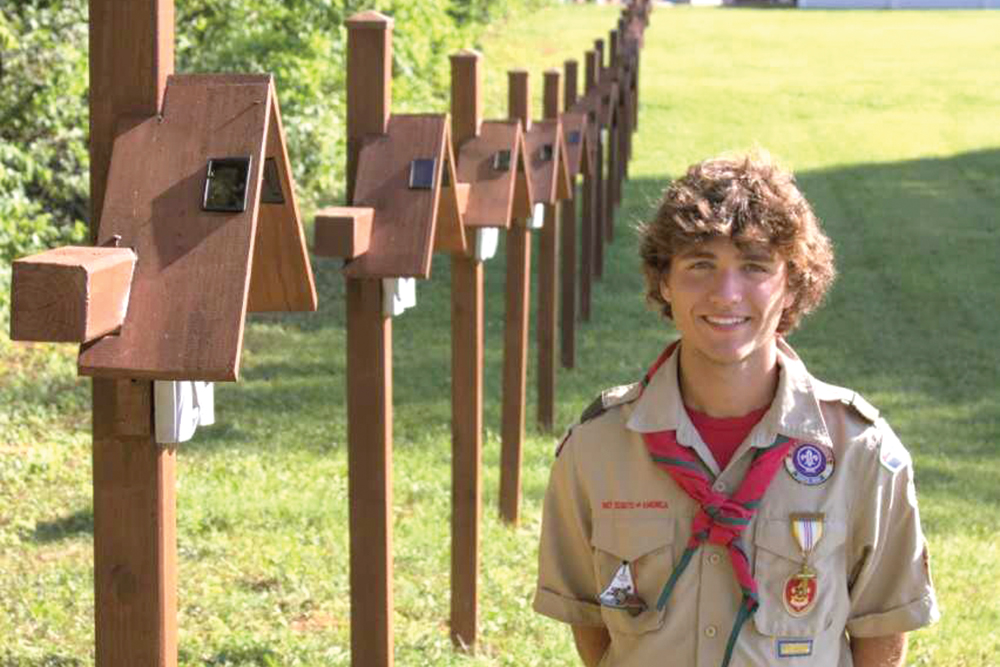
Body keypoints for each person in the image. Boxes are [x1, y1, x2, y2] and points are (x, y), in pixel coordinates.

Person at [533, 152, 939, 667]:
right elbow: (590, 620)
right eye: (700, 265)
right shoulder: (599, 447)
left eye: (754, 266)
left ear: (792, 282)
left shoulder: (860, 450)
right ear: (664, 281)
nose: (726, 295)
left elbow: (882, 625)